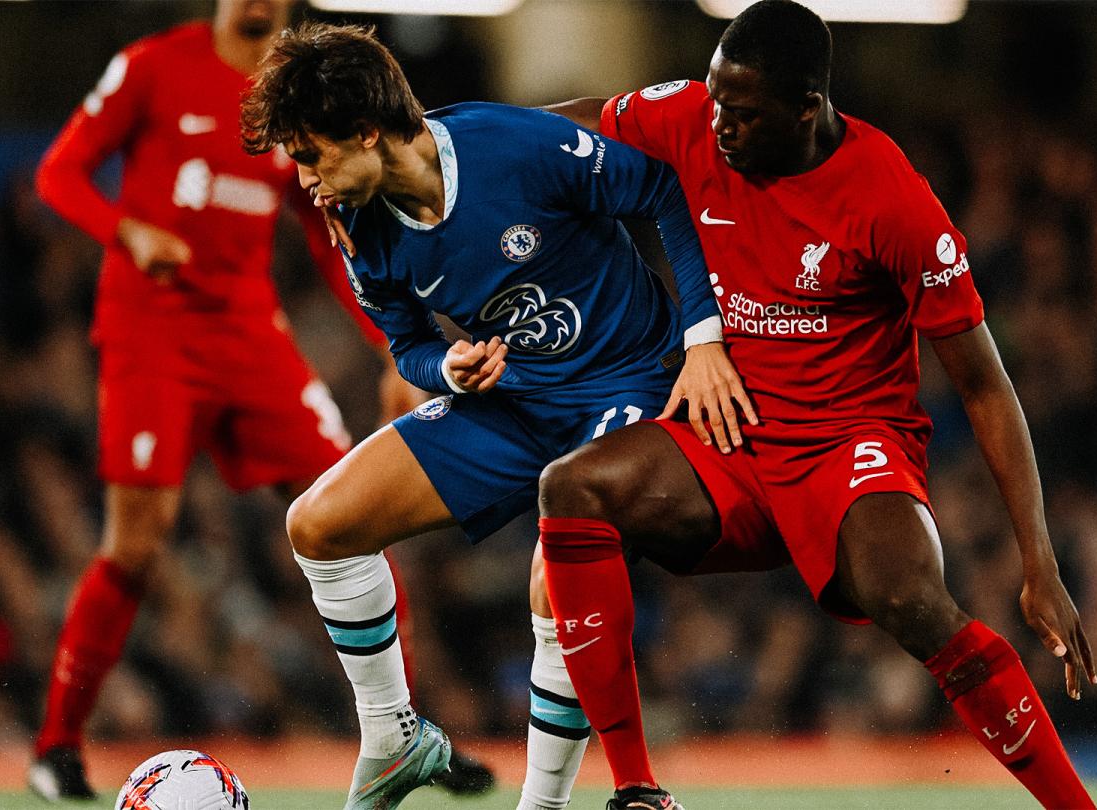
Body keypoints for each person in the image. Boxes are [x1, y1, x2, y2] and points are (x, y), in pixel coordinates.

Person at [537, 2, 1097, 808]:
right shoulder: (697, 117)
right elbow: (572, 127)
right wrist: (454, 143)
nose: (721, 125)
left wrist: (1039, 564)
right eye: (716, 100)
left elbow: (984, 384)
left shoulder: (891, 199)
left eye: (745, 112)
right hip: (734, 434)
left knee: (911, 600)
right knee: (573, 486)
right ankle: (637, 792)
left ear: (809, 108)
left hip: (850, 444)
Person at [240, 20, 752, 810]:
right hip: (513, 403)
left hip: (623, 387)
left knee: (559, 581)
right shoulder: (360, 225)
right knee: (318, 525)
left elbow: (662, 187)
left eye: (311, 154)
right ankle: (393, 737)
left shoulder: (509, 146)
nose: (304, 180)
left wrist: (704, 335)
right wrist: (443, 366)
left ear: (368, 131)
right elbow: (405, 340)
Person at [25, 0, 496, 800]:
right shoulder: (154, 67)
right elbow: (58, 173)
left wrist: (387, 342)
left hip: (250, 335)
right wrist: (125, 232)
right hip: (153, 332)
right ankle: (57, 746)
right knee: (138, 543)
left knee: (358, 511)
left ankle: (404, 735)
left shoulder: (294, 95)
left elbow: (321, 230)